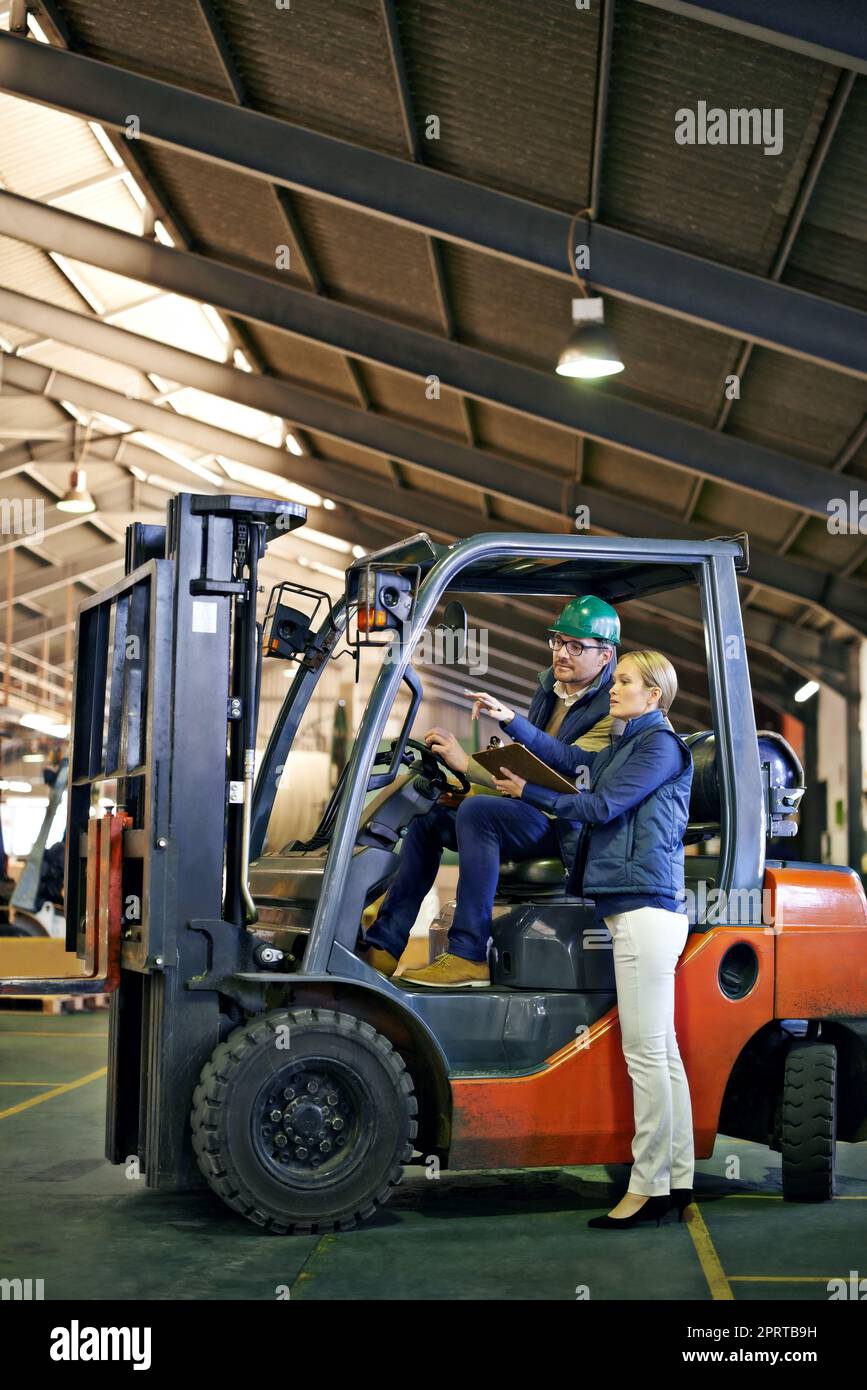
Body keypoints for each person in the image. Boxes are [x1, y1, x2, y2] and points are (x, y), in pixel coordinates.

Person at [486, 650, 695, 1230]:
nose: (614, 689)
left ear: (655, 694)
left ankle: (649, 1188)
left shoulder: (659, 747)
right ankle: (676, 1180)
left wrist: (527, 795)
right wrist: (514, 724)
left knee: (646, 1054)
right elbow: (572, 758)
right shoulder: (628, 745)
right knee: (663, 1055)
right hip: (634, 908)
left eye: (625, 681)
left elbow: (602, 807)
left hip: (645, 909)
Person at [357, 595, 621, 987]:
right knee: (429, 816)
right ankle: (383, 945)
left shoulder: (613, 711)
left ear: (605, 657)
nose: (562, 653)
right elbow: (527, 768)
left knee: (479, 814)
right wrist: (467, 779)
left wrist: (471, 763)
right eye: (558, 641)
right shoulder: (551, 692)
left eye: (576, 646)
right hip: (531, 810)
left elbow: (567, 768)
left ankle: (468, 956)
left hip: (569, 825)